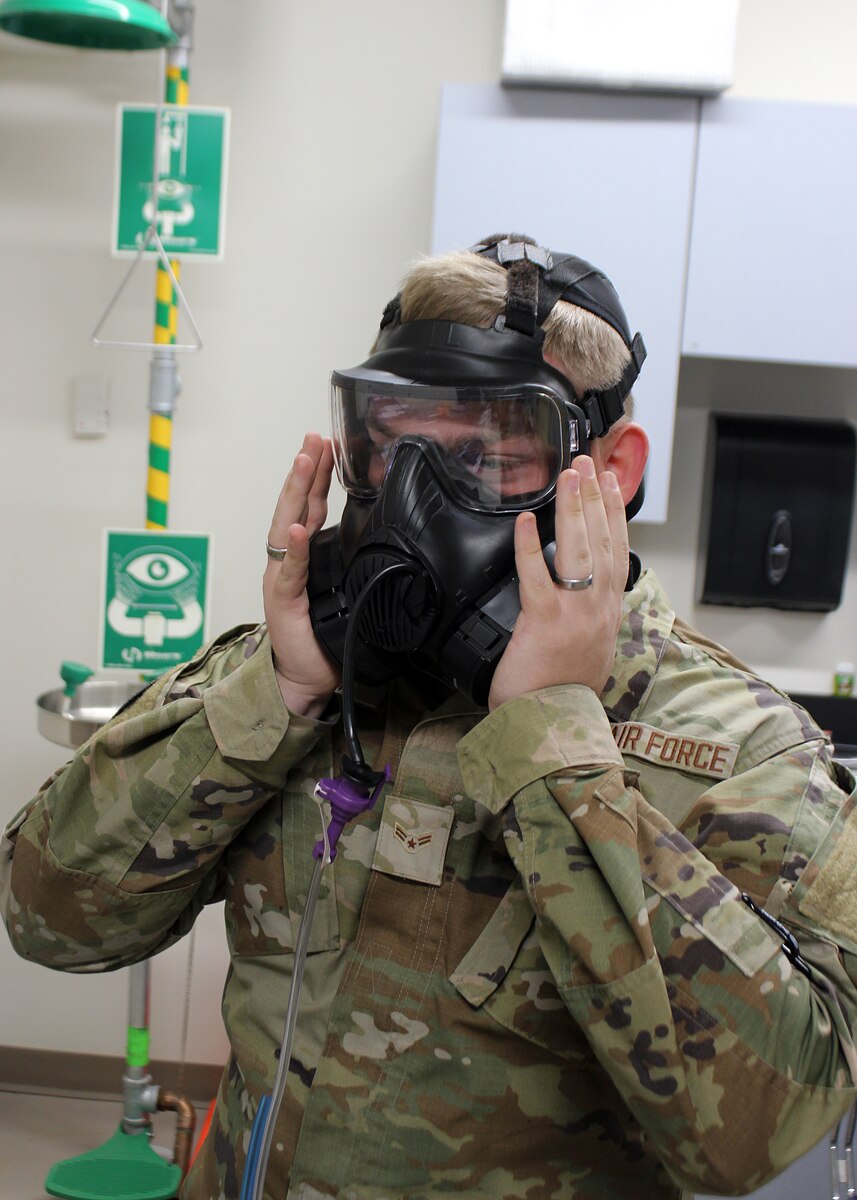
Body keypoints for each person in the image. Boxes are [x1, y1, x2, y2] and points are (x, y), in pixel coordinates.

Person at [3, 234, 857, 1200]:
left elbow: (761, 1131)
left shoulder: (745, 751)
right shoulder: (304, 666)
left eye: (486, 455)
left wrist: (552, 752)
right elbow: (48, 920)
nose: (411, 502)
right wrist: (274, 694)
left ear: (610, 468)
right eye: (387, 449)